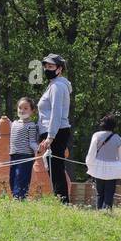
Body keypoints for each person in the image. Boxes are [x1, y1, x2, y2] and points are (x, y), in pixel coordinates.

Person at [37, 54, 73, 204]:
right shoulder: (53, 84)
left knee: (56, 168)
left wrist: (51, 136)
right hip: (54, 131)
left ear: (59, 69)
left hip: (56, 131)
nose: (47, 69)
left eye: (51, 67)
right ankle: (60, 199)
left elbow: (56, 112)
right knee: (53, 168)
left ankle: (63, 201)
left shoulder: (57, 86)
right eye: (46, 66)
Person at [85, 115, 121, 210]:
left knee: (100, 192)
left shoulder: (96, 135)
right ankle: (107, 210)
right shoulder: (118, 138)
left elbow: (91, 153)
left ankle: (99, 210)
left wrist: (89, 165)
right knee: (109, 192)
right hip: (113, 168)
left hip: (98, 166)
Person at [9, 96, 41, 200]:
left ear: (32, 111)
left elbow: (32, 141)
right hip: (13, 155)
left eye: (26, 108)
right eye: (20, 108)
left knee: (21, 177)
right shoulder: (13, 124)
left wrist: (38, 149)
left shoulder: (31, 125)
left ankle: (19, 198)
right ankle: (15, 197)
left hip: (25, 156)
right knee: (12, 177)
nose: (22, 110)